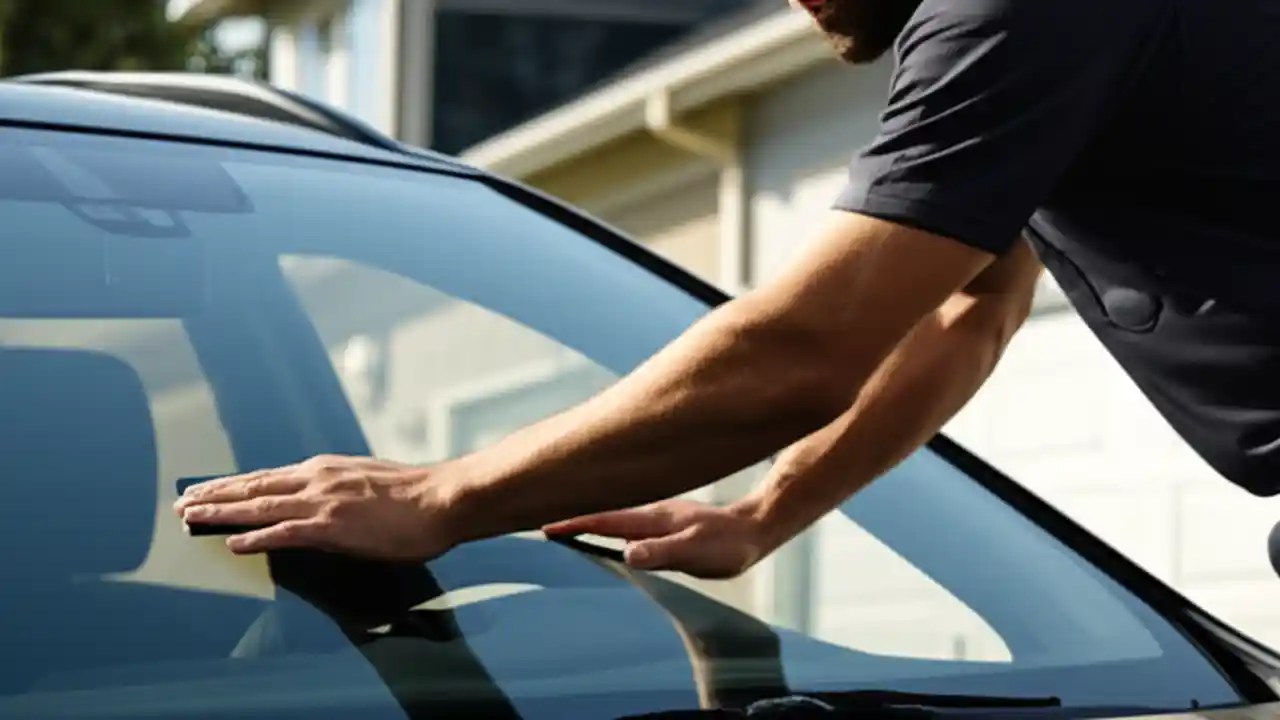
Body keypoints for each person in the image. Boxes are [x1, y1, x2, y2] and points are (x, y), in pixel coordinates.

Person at [175, 0, 1280, 580]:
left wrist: (447, 495)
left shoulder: (1015, 14)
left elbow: (802, 352)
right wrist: (762, 513)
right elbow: (964, 310)